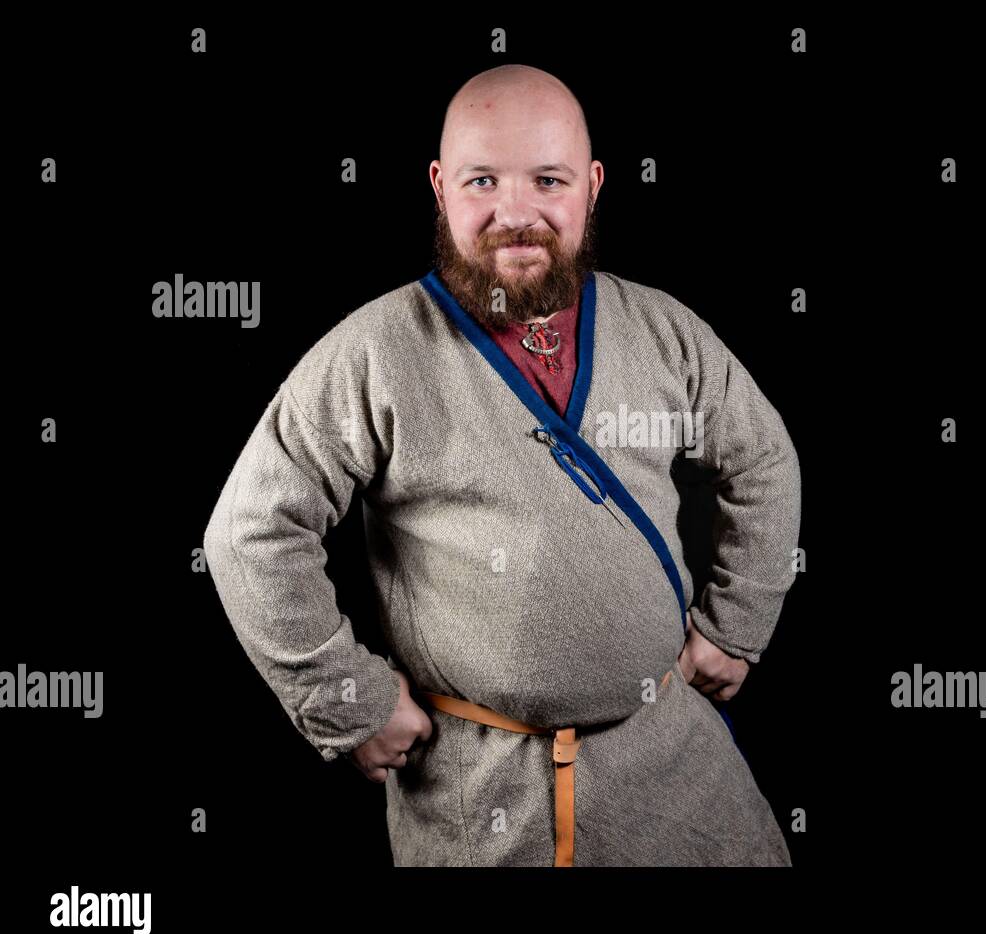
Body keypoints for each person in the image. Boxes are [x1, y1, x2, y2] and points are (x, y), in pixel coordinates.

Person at [202, 63, 801, 866]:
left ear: (591, 188)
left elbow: (763, 458)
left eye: (547, 179)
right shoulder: (374, 352)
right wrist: (349, 701)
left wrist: (738, 624)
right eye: (483, 180)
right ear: (440, 186)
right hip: (477, 794)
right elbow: (249, 532)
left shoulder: (665, 332)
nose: (514, 213)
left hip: (671, 765)